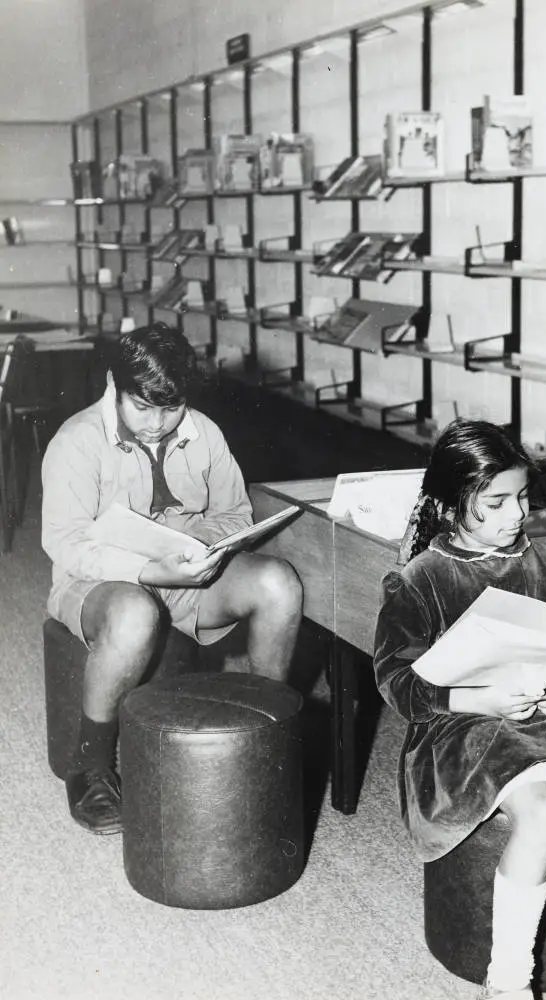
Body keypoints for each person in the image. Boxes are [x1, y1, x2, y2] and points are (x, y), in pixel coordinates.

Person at [373, 419, 546, 1000]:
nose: (516, 513)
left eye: (521, 497)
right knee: (541, 816)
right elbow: (396, 684)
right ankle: (509, 979)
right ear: (450, 503)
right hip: (464, 727)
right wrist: (476, 697)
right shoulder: (421, 579)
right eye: (495, 502)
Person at [41, 322, 303, 836]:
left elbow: (236, 511)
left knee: (279, 584)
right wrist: (144, 571)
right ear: (115, 387)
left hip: (184, 577)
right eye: (143, 407)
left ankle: (264, 736)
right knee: (136, 612)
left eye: (172, 407)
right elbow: (66, 543)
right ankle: (89, 765)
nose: (159, 423)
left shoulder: (202, 432)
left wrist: (202, 545)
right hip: (97, 583)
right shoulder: (76, 441)